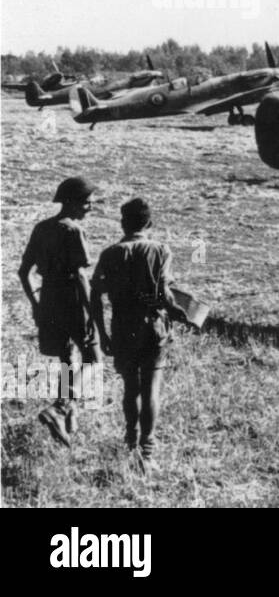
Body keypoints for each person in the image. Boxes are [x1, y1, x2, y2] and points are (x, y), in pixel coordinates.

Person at [90, 198, 184, 467]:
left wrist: (103, 334)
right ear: (150, 223)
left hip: (121, 327)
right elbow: (165, 293)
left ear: (123, 223)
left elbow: (95, 295)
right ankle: (148, 452)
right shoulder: (161, 250)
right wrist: (177, 312)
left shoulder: (110, 253)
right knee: (151, 387)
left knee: (130, 388)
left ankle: (130, 442)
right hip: (154, 328)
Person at [18, 176, 102, 446]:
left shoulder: (41, 228)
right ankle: (61, 407)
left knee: (67, 358)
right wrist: (94, 313)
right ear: (72, 203)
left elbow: (24, 272)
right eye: (87, 203)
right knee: (94, 359)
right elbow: (80, 276)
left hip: (49, 299)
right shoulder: (73, 231)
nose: (90, 208)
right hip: (73, 300)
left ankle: (68, 421)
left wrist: (36, 304)